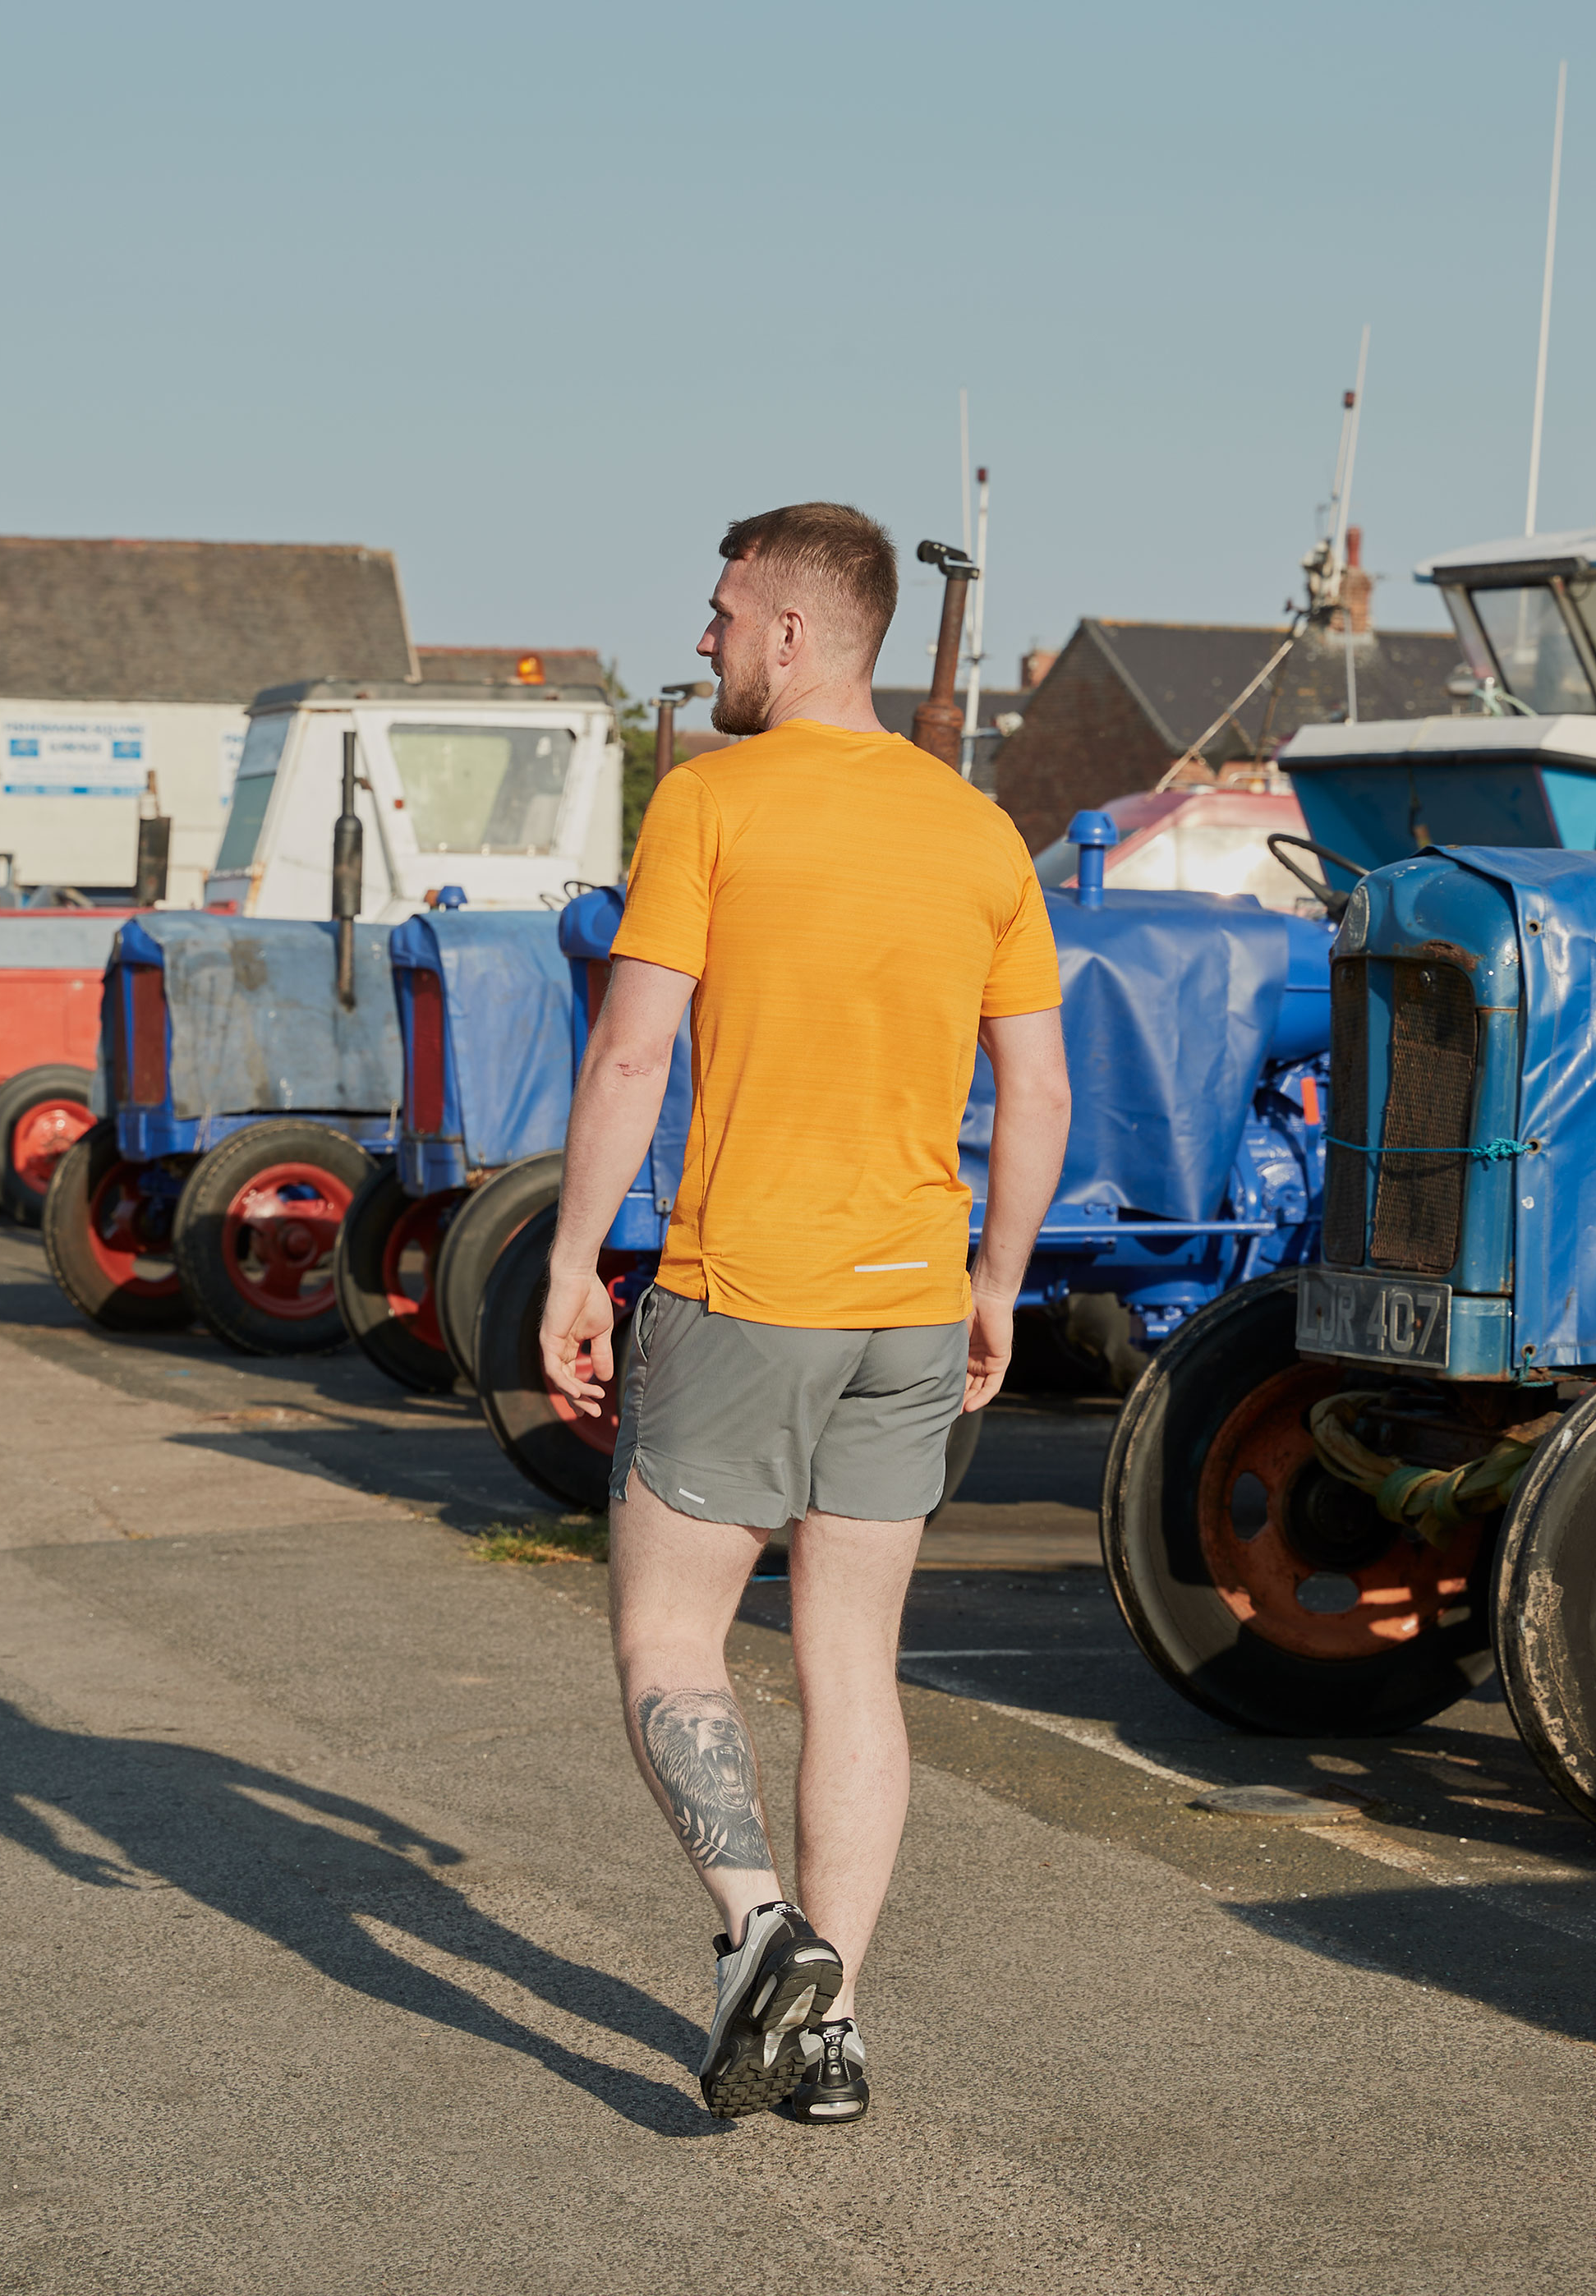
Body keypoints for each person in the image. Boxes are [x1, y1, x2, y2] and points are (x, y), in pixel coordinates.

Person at [539, 502, 1069, 2123]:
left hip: (738, 1287)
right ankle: (830, 2029)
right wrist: (992, 1282)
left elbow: (630, 1054)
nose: (699, 640)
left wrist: (572, 1262)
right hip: (907, 1302)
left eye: (717, 615)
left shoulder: (709, 802)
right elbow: (1036, 1087)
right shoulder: (978, 829)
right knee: (851, 1664)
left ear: (786, 634)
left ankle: (758, 1927)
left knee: (664, 1630)